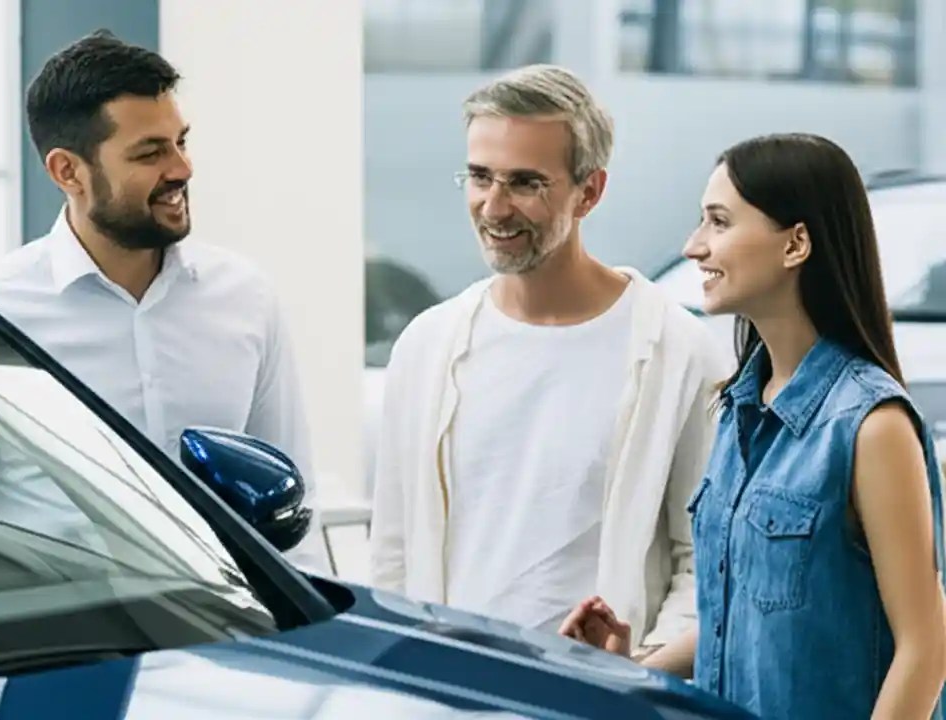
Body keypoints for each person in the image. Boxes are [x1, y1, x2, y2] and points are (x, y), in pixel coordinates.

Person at [0, 30, 328, 572]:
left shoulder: (246, 297)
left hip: (231, 639)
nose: (181, 170)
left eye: (181, 142)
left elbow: (294, 507)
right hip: (67, 645)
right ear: (67, 171)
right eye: (150, 152)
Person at [559, 133, 946, 719]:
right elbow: (741, 623)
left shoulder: (872, 424)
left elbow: (925, 645)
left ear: (795, 244)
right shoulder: (740, 408)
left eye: (719, 222)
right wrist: (634, 667)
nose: (694, 246)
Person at [368, 64, 728, 653]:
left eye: (525, 183)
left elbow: (705, 565)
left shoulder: (681, 354)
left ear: (589, 191)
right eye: (480, 176)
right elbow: (394, 555)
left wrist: (638, 676)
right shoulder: (427, 346)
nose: (494, 206)